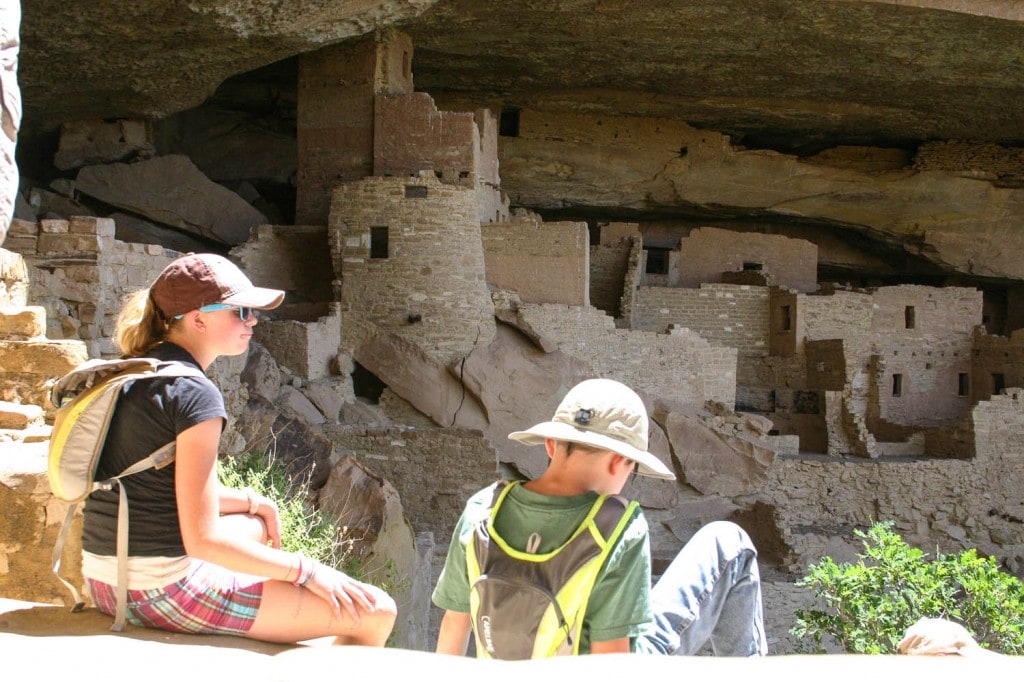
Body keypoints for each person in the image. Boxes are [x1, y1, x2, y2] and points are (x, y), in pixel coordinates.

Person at [80, 252, 396, 645]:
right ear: (198, 319)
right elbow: (202, 541)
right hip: (159, 591)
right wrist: (309, 571)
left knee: (255, 524)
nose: (253, 321)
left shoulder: (139, 370)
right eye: (240, 312)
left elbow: (159, 487)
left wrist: (252, 501)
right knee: (376, 611)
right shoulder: (194, 394)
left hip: (103, 579)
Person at [432, 377, 767, 658]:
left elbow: (454, 627)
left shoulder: (482, 508)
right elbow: (612, 660)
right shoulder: (617, 527)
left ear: (550, 445)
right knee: (729, 541)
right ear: (620, 462)